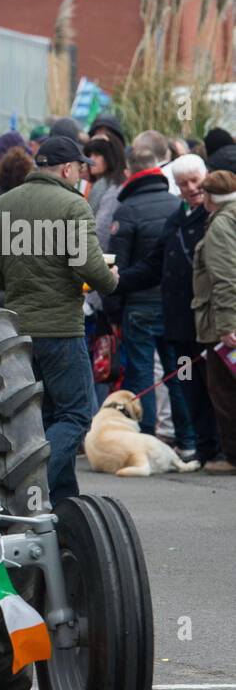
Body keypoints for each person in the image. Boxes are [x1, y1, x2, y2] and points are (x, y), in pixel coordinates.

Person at [0, 136, 119, 503]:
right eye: (79, 169)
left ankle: (60, 503)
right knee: (77, 415)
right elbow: (86, 264)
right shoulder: (72, 205)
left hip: (16, 333)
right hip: (61, 328)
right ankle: (30, 479)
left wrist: (8, 280)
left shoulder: (2, 204)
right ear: (67, 169)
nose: (80, 176)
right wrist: (111, 282)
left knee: (42, 418)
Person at [115, 155, 225, 466]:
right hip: (181, 326)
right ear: (176, 186)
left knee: (213, 388)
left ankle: (216, 450)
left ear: (207, 177)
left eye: (196, 180)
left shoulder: (218, 217)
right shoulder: (178, 217)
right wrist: (116, 281)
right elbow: (154, 265)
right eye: (184, 183)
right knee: (189, 386)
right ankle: (204, 449)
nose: (192, 188)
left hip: (209, 325)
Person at [110, 133, 194, 448]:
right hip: (172, 306)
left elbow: (115, 266)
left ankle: (145, 440)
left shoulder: (126, 210)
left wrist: (113, 309)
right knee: (177, 374)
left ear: (131, 171)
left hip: (138, 308)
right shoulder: (177, 206)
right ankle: (188, 440)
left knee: (141, 373)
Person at [190, 170, 236, 472]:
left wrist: (228, 326)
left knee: (223, 392)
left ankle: (232, 457)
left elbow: (225, 278)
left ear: (209, 198)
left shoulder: (220, 225)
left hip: (223, 322)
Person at [84, 136, 127, 250]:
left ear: (108, 158)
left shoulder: (106, 186)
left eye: (97, 155)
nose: (91, 160)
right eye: (90, 155)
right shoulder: (103, 183)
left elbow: (98, 227)